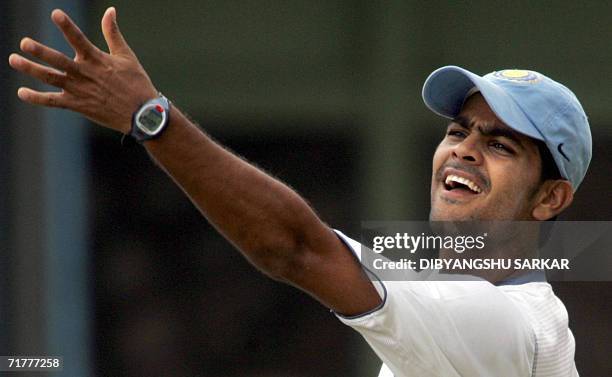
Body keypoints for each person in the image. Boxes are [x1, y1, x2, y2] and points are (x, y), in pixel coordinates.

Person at [8, 7, 590, 377]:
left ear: (550, 199)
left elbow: (294, 248)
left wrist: (150, 117)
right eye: (458, 130)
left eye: (501, 145)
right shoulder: (457, 308)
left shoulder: (516, 328)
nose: (462, 149)